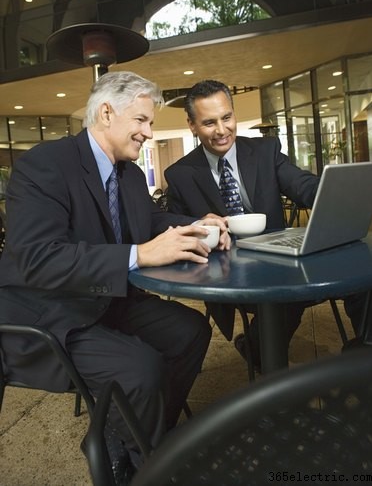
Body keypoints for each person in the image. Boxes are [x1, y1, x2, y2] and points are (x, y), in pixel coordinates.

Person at [0, 71, 230, 484]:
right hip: (49, 310)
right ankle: (149, 467)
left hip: (107, 297)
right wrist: (140, 254)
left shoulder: (130, 174)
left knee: (190, 331)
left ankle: (135, 439)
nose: (149, 133)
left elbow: (148, 220)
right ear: (107, 112)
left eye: (151, 123)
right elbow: (37, 259)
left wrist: (196, 223)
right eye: (142, 120)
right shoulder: (44, 165)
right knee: (139, 370)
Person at [164, 79, 321, 370]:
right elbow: (174, 225)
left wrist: (334, 191)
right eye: (209, 122)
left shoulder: (266, 150)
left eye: (227, 117)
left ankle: (363, 348)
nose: (222, 130)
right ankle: (265, 362)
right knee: (289, 294)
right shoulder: (180, 174)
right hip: (225, 273)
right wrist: (197, 223)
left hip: (279, 262)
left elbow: (303, 186)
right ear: (192, 125)